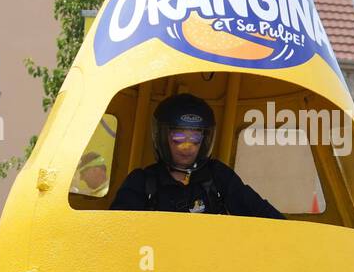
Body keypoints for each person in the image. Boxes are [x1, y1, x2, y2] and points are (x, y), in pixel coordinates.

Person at [110, 93, 283, 218]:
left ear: (204, 140)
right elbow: (116, 232)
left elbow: (267, 217)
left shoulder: (217, 176)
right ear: (162, 138)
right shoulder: (142, 182)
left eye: (195, 138)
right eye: (178, 137)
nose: (187, 147)